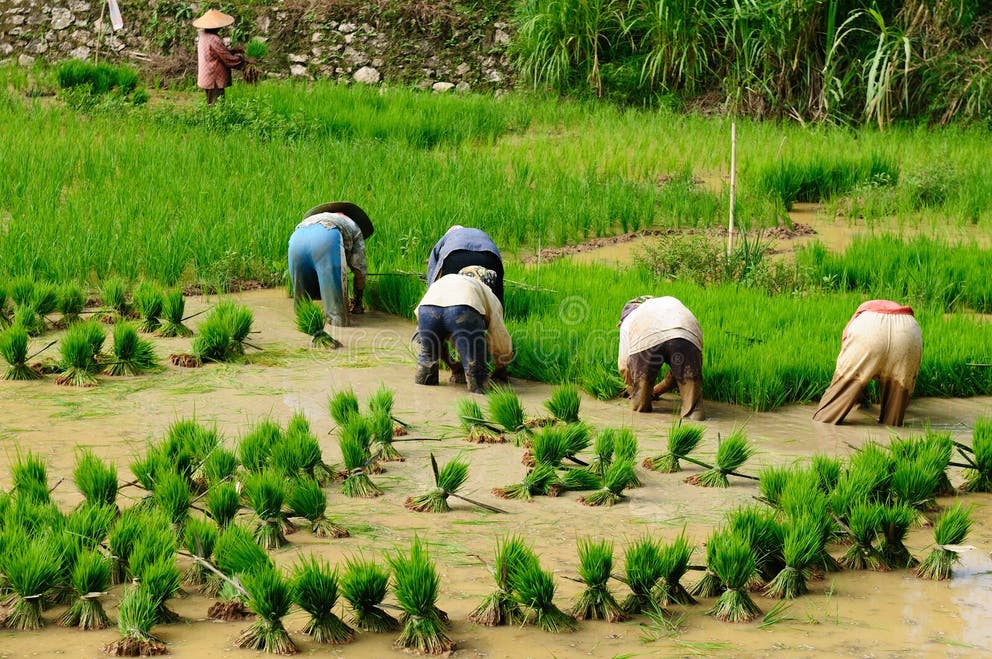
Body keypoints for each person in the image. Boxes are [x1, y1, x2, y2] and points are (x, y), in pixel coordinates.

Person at [813, 300, 922, 427]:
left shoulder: (859, 318)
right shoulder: (903, 318)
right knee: (893, 421)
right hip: (908, 329)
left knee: (826, 418)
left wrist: (855, 397)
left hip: (868, 327)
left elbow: (854, 373)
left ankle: (821, 425)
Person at [414, 266, 512, 394]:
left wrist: (454, 366)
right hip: (464, 308)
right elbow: (499, 337)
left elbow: (423, 335)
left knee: (427, 358)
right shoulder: (486, 291)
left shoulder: (447, 280)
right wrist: (501, 368)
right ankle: (477, 392)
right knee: (475, 368)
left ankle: (421, 395)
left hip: (427, 309)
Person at [288, 202, 373, 327]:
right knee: (337, 316)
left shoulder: (314, 219)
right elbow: (359, 269)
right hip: (327, 236)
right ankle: (338, 330)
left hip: (296, 239)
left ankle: (304, 331)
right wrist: (357, 302)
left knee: (303, 311)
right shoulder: (353, 225)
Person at [617, 295, 704, 419]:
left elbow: (624, 367)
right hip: (686, 333)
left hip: (646, 336)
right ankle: (696, 425)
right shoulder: (670, 304)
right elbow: (680, 372)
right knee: (694, 408)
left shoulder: (629, 319)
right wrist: (657, 390)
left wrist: (635, 387)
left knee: (640, 407)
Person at [427, 226, 504, 304]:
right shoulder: (481, 234)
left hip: (455, 257)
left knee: (450, 300)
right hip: (489, 257)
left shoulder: (447, 238)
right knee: (490, 299)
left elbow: (433, 271)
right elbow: (499, 285)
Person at [193, 9, 246, 105]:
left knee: (211, 103)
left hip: (208, 76)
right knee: (216, 106)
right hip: (214, 79)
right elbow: (227, 59)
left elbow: (216, 53)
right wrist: (245, 61)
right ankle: (214, 120)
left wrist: (233, 50)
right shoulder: (214, 39)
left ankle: (210, 119)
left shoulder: (204, 36)